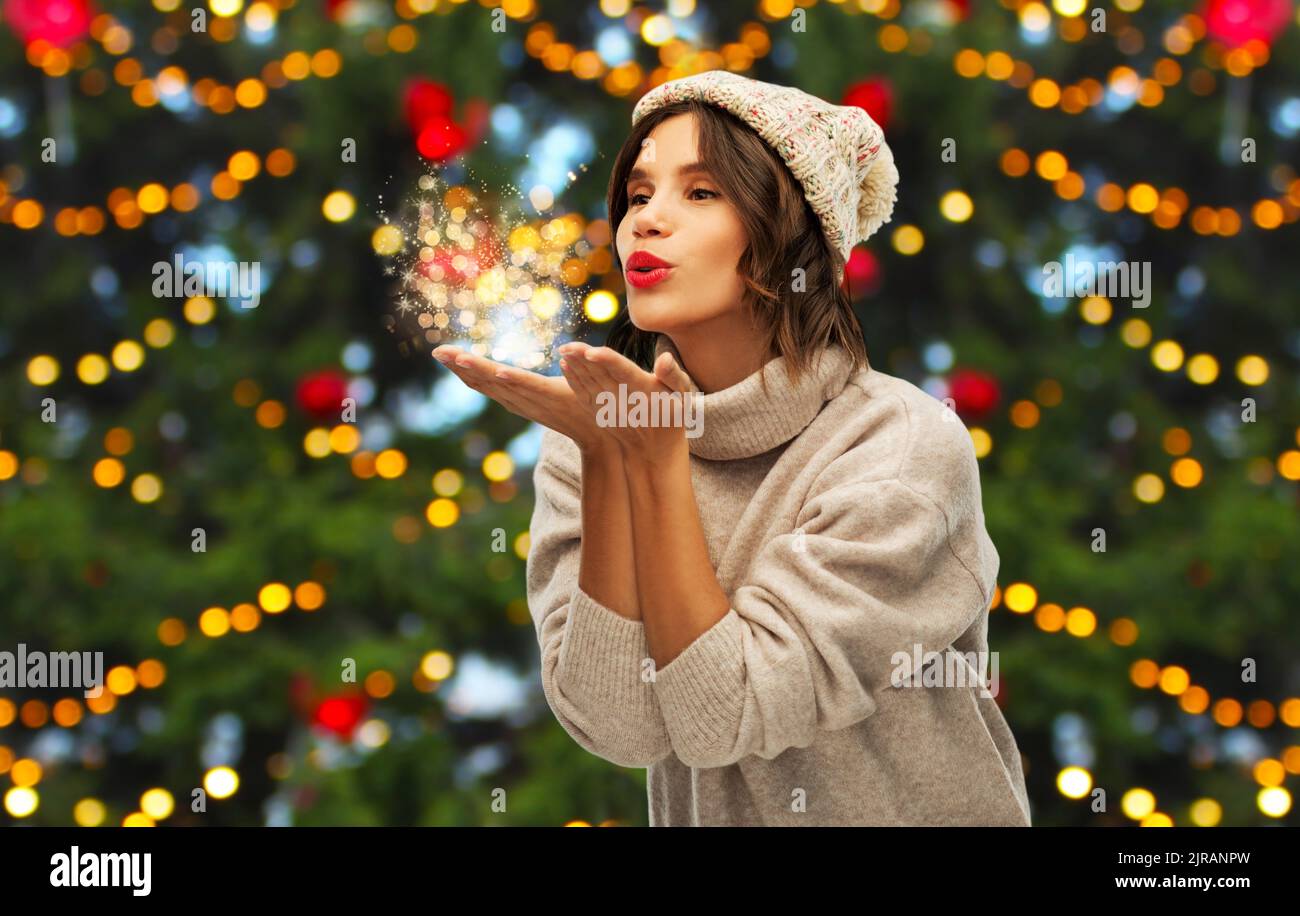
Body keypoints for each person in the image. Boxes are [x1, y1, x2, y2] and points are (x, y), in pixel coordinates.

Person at [434, 70, 1031, 826]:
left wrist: (649, 464)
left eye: (702, 192)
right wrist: (611, 465)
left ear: (790, 235)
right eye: (639, 195)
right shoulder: (593, 440)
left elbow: (728, 713)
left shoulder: (899, 449)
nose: (646, 222)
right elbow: (619, 728)